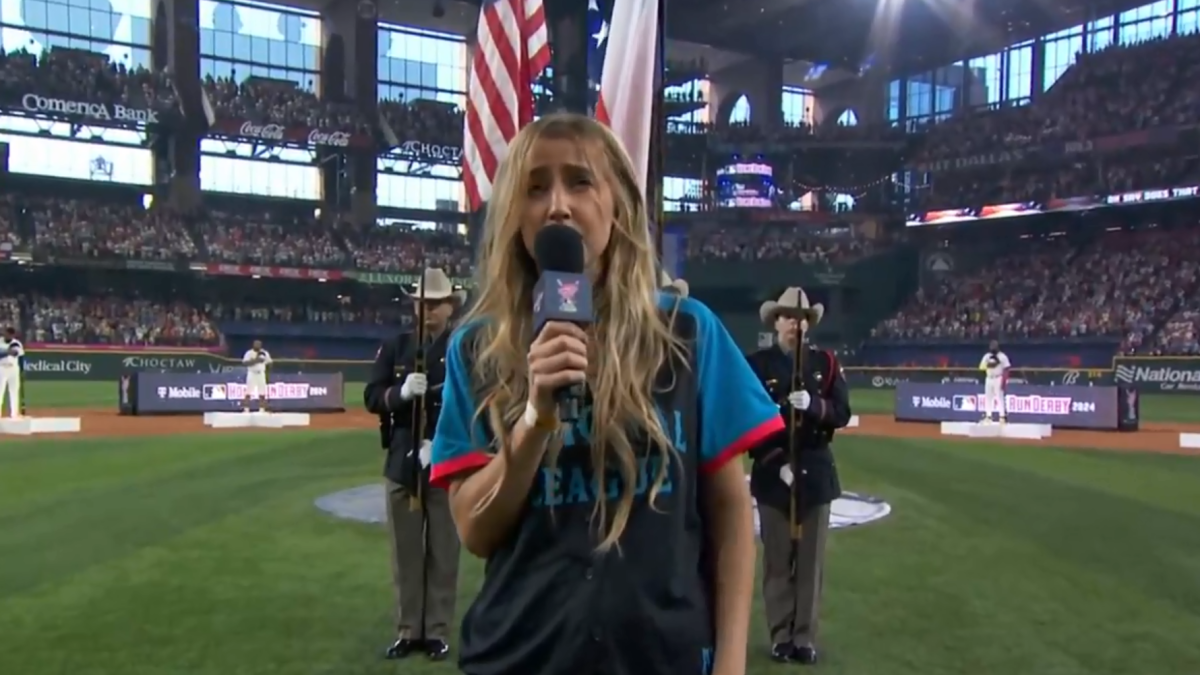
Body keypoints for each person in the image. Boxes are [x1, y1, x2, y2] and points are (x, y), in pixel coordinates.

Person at [429, 113, 782, 675]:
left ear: (617, 204)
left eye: (580, 181)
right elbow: (474, 529)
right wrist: (533, 421)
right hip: (521, 656)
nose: (559, 205)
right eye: (536, 187)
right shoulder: (478, 347)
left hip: (663, 656)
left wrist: (732, 661)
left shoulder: (688, 332)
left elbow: (730, 511)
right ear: (514, 214)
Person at [745, 287, 851, 666]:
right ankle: (780, 635)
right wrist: (776, 461)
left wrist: (816, 405)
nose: (796, 323)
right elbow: (746, 421)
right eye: (789, 316)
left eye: (802, 317)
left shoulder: (825, 364)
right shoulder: (757, 365)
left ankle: (804, 637)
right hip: (775, 474)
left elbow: (841, 411)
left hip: (816, 472)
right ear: (776, 322)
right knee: (777, 560)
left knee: (810, 562)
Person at [364, 268, 465, 662]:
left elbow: (474, 402)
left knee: (443, 552)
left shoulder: (460, 348)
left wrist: (440, 444)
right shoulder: (396, 347)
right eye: (422, 303)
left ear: (450, 308)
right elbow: (373, 396)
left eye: (435, 304)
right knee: (405, 555)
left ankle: (437, 631)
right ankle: (409, 630)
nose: (427, 311)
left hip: (442, 463)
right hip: (402, 463)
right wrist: (399, 393)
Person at [978, 339, 1011, 424]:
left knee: (999, 398)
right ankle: (988, 417)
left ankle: (1002, 417)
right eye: (991, 346)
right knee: (988, 398)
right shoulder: (987, 356)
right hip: (989, 378)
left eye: (994, 346)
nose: (993, 347)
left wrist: (1004, 380)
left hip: (998, 377)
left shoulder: (1002, 356)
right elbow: (981, 367)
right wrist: (990, 365)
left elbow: (1007, 368)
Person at [240, 340, 272, 413]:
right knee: (248, 392)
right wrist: (256, 360)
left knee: (262, 393)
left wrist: (267, 367)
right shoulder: (249, 353)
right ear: (253, 345)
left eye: (259, 344)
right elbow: (244, 363)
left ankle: (262, 409)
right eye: (256, 344)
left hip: (261, 373)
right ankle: (246, 409)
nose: (258, 346)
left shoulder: (264, 353)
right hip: (252, 373)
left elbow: (270, 362)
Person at [1, 327, 23, 419]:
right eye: (6, 333)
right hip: (1, 368)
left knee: (14, 391)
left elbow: (16, 353)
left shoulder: (16, 343)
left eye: (10, 334)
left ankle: (14, 413)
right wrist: (7, 352)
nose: (8, 335)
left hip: (13, 369)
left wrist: (5, 352)